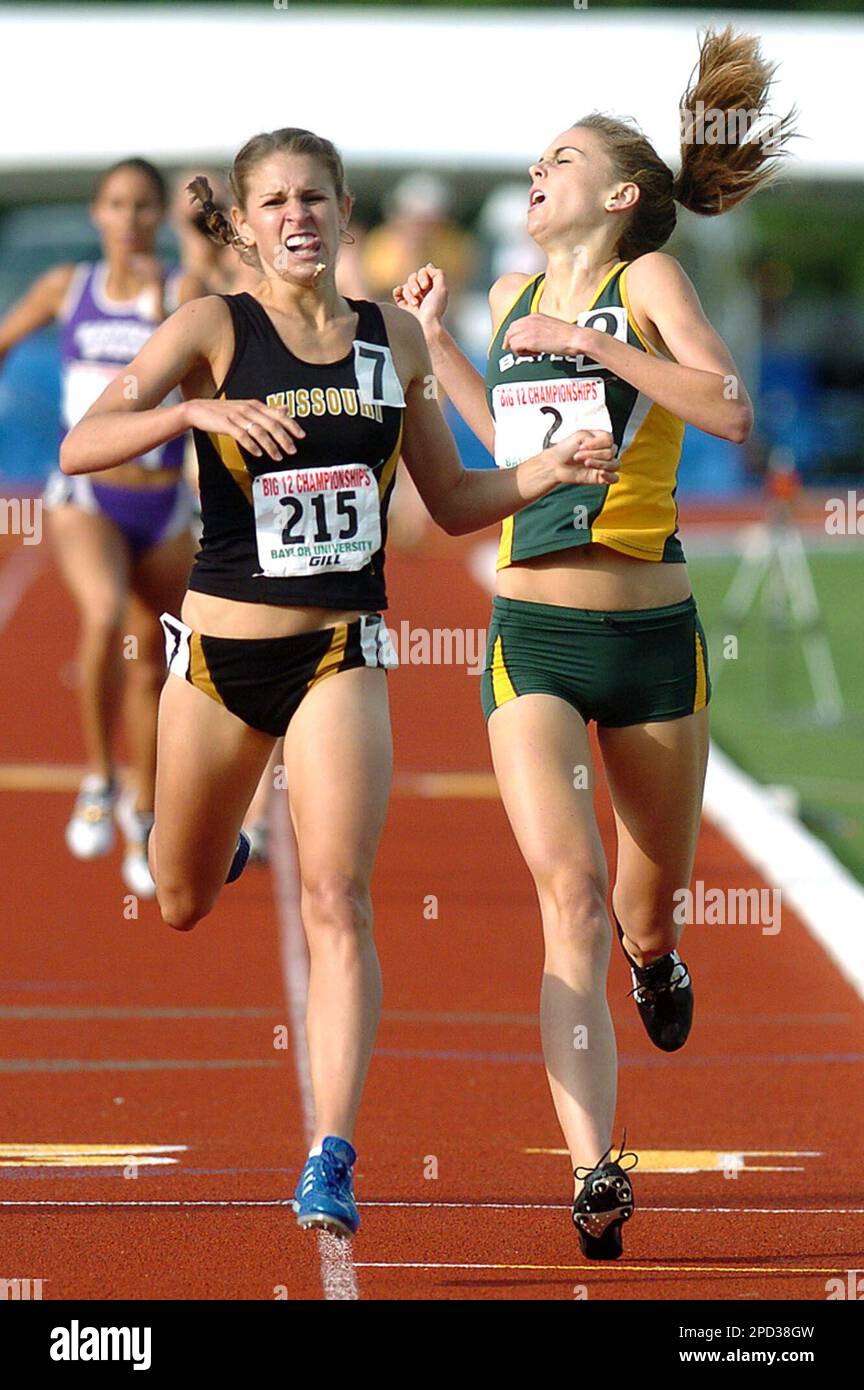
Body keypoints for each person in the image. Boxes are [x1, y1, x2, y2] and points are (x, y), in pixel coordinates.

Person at [59, 127, 617, 1238]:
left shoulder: (392, 338)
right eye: (273, 202)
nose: (297, 217)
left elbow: (451, 501)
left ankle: (332, 1151)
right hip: (219, 660)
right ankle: (213, 834)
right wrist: (190, 411)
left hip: (339, 651)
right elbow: (85, 441)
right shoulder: (214, 327)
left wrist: (542, 473)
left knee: (337, 896)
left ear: (345, 209)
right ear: (248, 224)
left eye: (314, 197)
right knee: (179, 899)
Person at [395, 26, 794, 1258]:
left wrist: (606, 346)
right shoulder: (509, 296)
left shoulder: (648, 284)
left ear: (619, 196)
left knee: (647, 906)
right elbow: (498, 438)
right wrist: (443, 346)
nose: (536, 170)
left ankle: (659, 956)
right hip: (533, 642)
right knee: (566, 895)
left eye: (559, 158)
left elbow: (729, 409)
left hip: (652, 642)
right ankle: (595, 1169)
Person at [0, 158, 204, 896]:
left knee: (163, 655)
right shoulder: (68, 288)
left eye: (144, 206)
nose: (129, 219)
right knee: (108, 621)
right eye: (116, 204)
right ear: (98, 213)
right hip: (85, 496)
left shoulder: (182, 293)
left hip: (165, 503)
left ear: (161, 217)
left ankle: (143, 808)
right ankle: (96, 774)